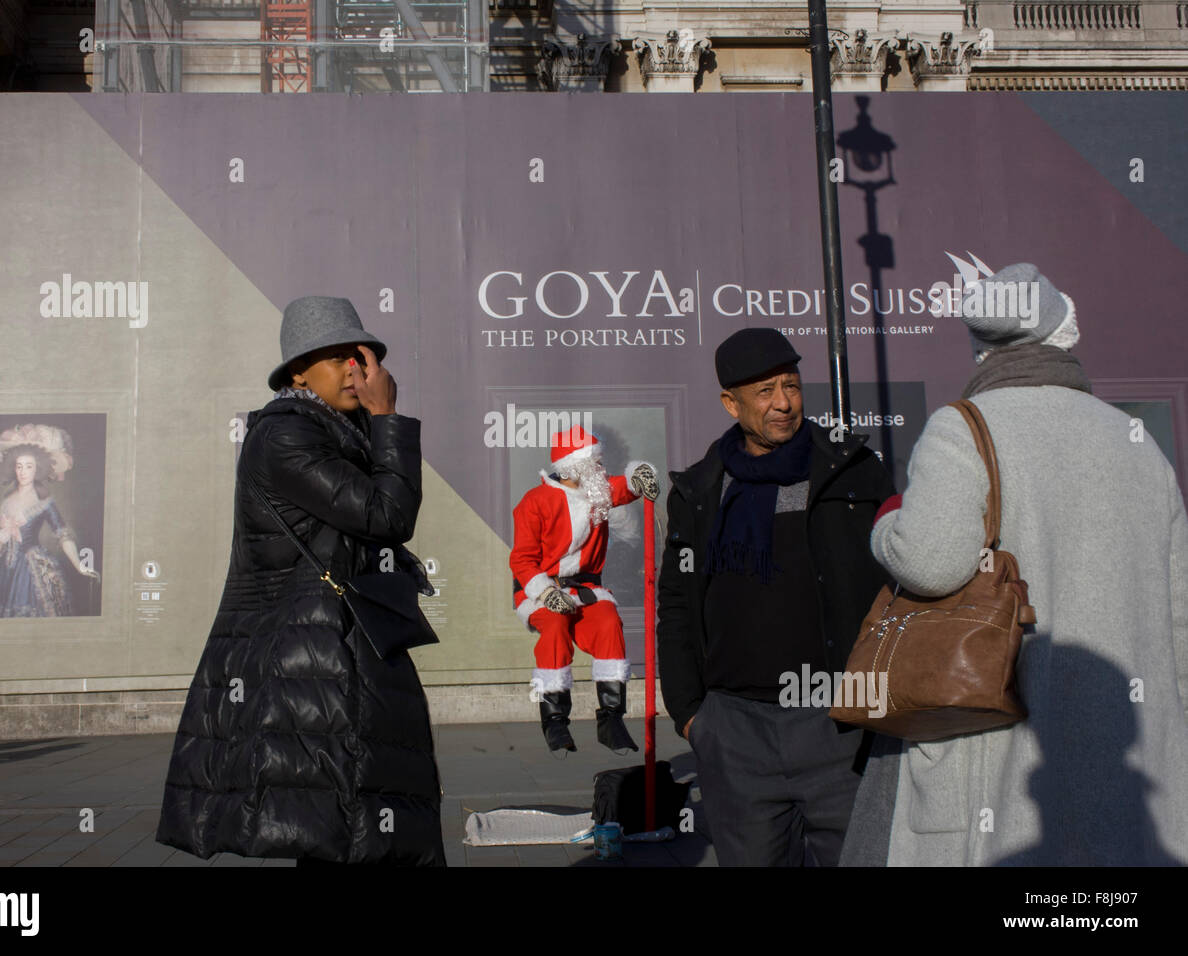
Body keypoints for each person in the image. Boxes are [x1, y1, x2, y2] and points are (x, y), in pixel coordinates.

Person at [841, 263, 1188, 866]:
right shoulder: (1136, 441)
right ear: (1064, 336)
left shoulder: (964, 427)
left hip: (1004, 754)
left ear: (981, 346)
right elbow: (1178, 616)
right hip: (1128, 762)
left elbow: (927, 563)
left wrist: (887, 523)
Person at [156, 295, 445, 867]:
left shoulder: (341, 435)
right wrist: (387, 420)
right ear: (298, 372)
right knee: (337, 831)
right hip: (311, 667)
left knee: (358, 828)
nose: (354, 371)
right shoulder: (286, 436)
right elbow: (388, 517)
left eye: (359, 357)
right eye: (336, 357)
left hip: (340, 654)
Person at [657, 328, 895, 865]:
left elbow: (896, 585)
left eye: (790, 385)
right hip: (735, 731)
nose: (783, 403)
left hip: (839, 722)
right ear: (730, 402)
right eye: (764, 391)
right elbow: (676, 604)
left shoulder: (852, 471)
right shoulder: (698, 490)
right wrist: (691, 714)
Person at [509, 426, 659, 755]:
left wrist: (641, 474)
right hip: (542, 590)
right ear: (574, 466)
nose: (601, 470)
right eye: (595, 464)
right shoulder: (535, 502)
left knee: (608, 622)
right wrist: (546, 592)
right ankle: (555, 721)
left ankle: (611, 719)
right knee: (556, 627)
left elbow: (628, 485)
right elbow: (521, 560)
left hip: (587, 589)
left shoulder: (597, 491)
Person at [0, 424, 98, 616]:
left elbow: (63, 535)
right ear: (13, 468)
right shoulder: (7, 501)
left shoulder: (44, 501)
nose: (23, 471)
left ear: (37, 469)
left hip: (31, 568)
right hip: (3, 571)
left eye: (28, 466)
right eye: (19, 466)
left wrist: (79, 566)